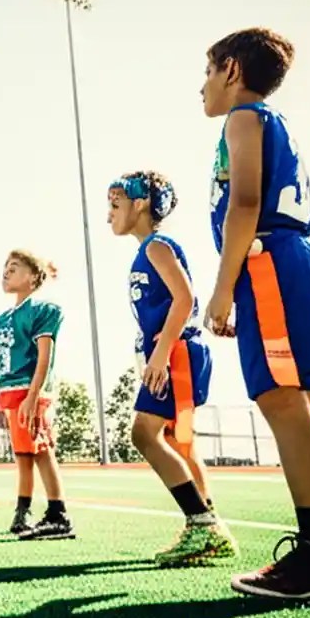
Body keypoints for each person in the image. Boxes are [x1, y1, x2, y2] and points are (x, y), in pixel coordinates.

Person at [200, 27, 310, 598]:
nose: (202, 86)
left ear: (231, 69)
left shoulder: (245, 118)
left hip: (268, 257)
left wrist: (223, 287)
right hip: (297, 259)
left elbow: (246, 203)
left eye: (206, 71)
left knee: (283, 399)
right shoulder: (277, 125)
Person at [107, 170, 238, 566]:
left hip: (177, 354)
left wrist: (161, 354)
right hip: (176, 352)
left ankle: (203, 523)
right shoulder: (146, 250)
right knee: (181, 445)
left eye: (114, 205)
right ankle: (206, 528)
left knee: (143, 434)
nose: (108, 214)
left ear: (140, 203)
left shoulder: (156, 246)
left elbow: (184, 299)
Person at [0, 250, 72, 540]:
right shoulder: (2, 319)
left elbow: (44, 358)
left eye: (14, 267)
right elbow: (2, 362)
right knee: (22, 455)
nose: (6, 271)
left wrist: (33, 395)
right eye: (5, 266)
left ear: (33, 277)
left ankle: (58, 513)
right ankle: (22, 512)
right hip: (10, 392)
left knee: (41, 451)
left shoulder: (42, 310)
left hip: (30, 390)